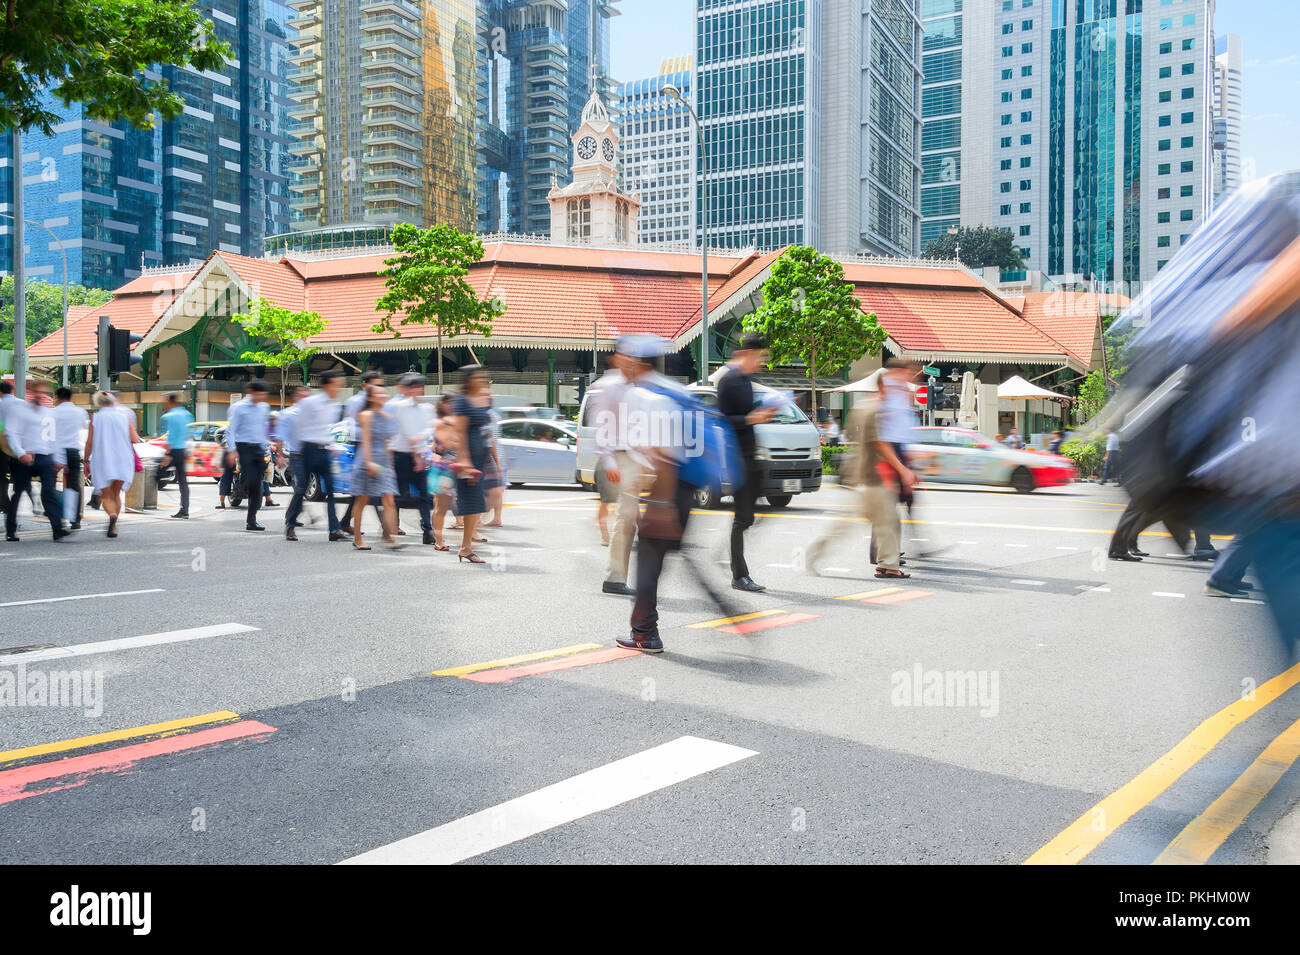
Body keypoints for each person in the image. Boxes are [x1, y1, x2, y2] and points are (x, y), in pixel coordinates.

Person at [807, 374, 914, 579]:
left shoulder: (862, 407)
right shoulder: (878, 410)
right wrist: (903, 470)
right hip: (874, 477)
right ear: (885, 389)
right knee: (889, 522)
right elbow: (880, 444)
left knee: (851, 524)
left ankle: (817, 551)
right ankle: (888, 566)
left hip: (860, 476)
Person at [716, 332, 778, 593]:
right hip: (736, 457)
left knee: (750, 516)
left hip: (751, 456)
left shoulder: (746, 380)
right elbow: (723, 420)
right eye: (760, 356)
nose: (761, 362)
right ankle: (739, 575)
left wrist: (766, 413)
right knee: (742, 519)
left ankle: (729, 555)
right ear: (746, 354)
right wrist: (751, 419)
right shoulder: (729, 381)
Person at [593, 343, 642, 594]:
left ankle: (617, 577)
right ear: (616, 358)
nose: (631, 361)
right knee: (625, 520)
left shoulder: (629, 387)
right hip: (619, 458)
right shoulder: (611, 386)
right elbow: (602, 426)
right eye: (627, 356)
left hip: (631, 458)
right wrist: (610, 461)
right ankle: (614, 579)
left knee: (629, 521)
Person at [287, 369, 347, 542]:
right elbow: (298, 427)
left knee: (330, 490)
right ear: (328, 384)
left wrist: (332, 444)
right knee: (301, 489)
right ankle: (290, 525)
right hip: (307, 450)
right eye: (337, 384)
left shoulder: (335, 405)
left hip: (324, 451)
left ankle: (334, 529)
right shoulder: (311, 403)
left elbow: (327, 429)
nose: (340, 388)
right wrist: (298, 452)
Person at [3, 381, 66, 541]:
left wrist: (58, 458)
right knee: (19, 492)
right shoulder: (20, 410)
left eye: (43, 392)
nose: (40, 395)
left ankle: (57, 529)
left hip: (44, 457)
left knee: (48, 493)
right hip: (24, 458)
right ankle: (11, 530)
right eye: (37, 391)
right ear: (31, 392)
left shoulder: (49, 413)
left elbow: (55, 438)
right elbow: (12, 433)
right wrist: (20, 453)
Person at [388, 372, 436, 545]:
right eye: (413, 387)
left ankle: (427, 530)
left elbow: (428, 430)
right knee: (399, 495)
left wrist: (420, 453)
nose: (416, 390)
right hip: (402, 456)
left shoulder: (427, 409)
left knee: (424, 495)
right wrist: (417, 453)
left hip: (419, 456)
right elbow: (409, 433)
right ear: (407, 389)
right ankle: (391, 528)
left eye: (419, 387)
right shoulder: (400, 407)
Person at [351, 383, 401, 550]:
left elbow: (387, 442)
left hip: (384, 463)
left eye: (384, 393)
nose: (383, 396)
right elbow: (365, 441)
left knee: (390, 500)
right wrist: (368, 462)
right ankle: (357, 537)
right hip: (367, 461)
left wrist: (391, 465)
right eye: (378, 393)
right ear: (371, 397)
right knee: (362, 501)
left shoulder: (387, 416)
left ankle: (388, 536)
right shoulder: (366, 415)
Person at [450, 365, 492, 563]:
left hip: (480, 456)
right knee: (472, 503)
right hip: (468, 460)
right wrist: (464, 459)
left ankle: (466, 547)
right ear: (468, 380)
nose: (481, 380)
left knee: (476, 504)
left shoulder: (480, 398)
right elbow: (459, 432)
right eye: (477, 377)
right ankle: (465, 547)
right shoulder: (461, 401)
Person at [83, 391, 139, 539]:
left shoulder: (95, 418)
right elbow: (134, 439)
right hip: (123, 458)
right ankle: (113, 526)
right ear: (112, 402)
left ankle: (112, 514)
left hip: (103, 459)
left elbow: (89, 443)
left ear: (98, 403)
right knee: (116, 494)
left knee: (106, 494)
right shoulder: (125, 417)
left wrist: (86, 460)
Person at [224, 379, 277, 532]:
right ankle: (243, 489)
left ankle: (251, 520)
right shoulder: (238, 408)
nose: (262, 398)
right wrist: (232, 450)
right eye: (260, 394)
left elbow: (261, 430)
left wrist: (269, 445)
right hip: (244, 448)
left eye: (264, 395)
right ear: (252, 392)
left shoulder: (264, 407)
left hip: (259, 450)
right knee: (253, 483)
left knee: (258, 487)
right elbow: (231, 430)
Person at [340, 370, 387, 536]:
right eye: (375, 384)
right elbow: (352, 424)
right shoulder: (355, 401)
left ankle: (346, 522)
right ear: (365, 384)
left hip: (377, 449)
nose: (378, 388)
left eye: (380, 385)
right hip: (363, 446)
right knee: (366, 492)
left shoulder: (380, 401)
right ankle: (385, 527)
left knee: (363, 493)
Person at [53, 387, 88, 529]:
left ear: (58, 397)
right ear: (70, 397)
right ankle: (75, 519)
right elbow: (84, 432)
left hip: (56, 451)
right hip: (73, 451)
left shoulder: (53, 413)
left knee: (51, 484)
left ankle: (57, 515)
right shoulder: (81, 412)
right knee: (74, 486)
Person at [159, 392, 194, 519]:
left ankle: (144, 503)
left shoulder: (169, 416)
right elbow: (189, 434)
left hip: (173, 451)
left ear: (169, 401)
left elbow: (170, 436)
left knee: (156, 474)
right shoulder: (187, 414)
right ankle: (185, 510)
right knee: (183, 481)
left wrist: (167, 455)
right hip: (183, 451)